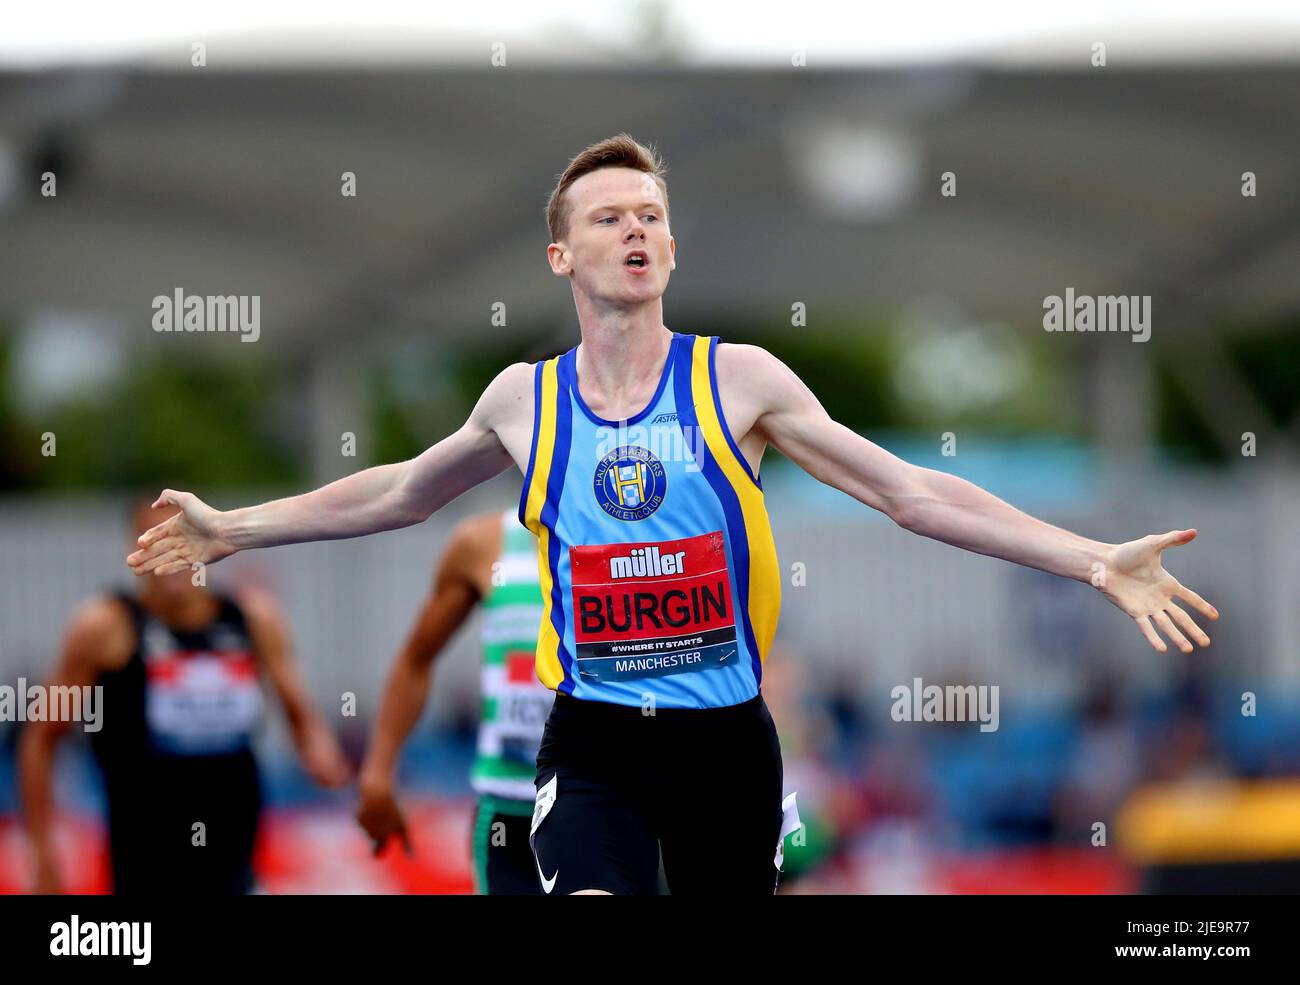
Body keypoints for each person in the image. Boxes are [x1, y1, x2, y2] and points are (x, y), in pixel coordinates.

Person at [126, 133, 1219, 895]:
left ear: (672, 249)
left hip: (723, 746)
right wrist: (237, 528)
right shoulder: (523, 399)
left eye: (651, 215)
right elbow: (397, 490)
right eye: (609, 217)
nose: (635, 230)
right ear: (564, 255)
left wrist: (1090, 560)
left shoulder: (738, 381)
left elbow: (911, 490)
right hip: (592, 741)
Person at [22, 497, 350, 894]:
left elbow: (299, 707)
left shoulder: (252, 619)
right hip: (144, 863)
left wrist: (317, 747)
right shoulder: (103, 628)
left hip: (235, 855)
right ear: (133, 546)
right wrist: (42, 850)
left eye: (180, 535)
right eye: (153, 539)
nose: (170, 552)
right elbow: (41, 738)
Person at [356, 508, 552, 894]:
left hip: (606, 806)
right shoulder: (483, 544)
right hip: (510, 812)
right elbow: (416, 659)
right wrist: (378, 774)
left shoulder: (635, 541)